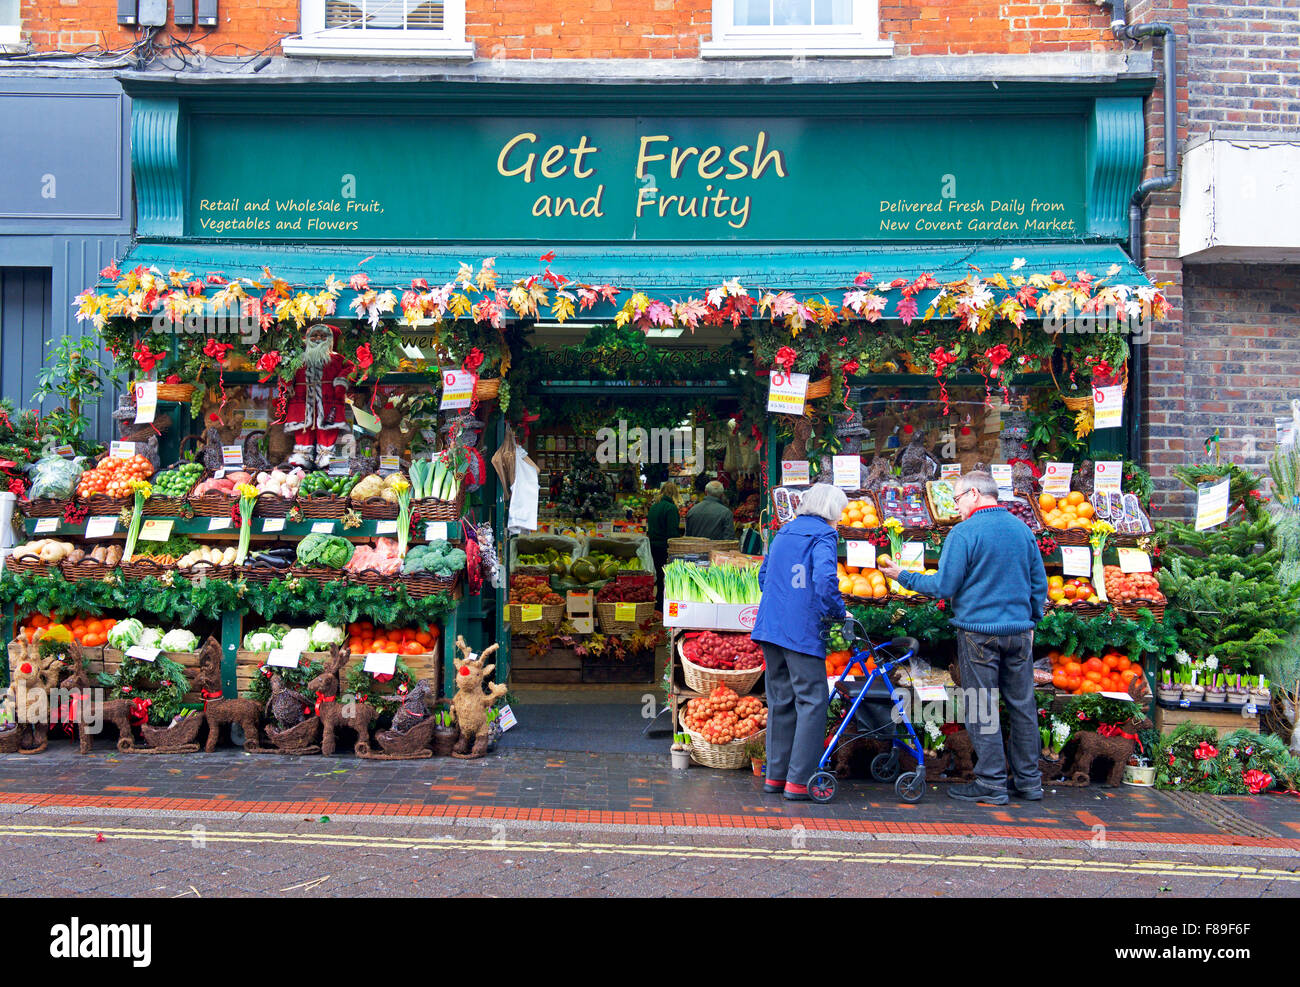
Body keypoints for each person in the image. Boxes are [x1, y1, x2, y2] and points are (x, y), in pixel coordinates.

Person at [878, 470, 1049, 805]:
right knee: (1023, 706)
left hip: (978, 634)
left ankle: (992, 784)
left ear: (973, 494)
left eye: (957, 499)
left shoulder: (964, 533)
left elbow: (944, 586)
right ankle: (1029, 782)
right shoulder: (1023, 530)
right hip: (1018, 633)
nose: (955, 506)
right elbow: (1038, 584)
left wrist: (903, 576)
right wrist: (1031, 622)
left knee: (982, 707)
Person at [751, 483, 848, 801]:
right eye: (841, 512)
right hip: (801, 630)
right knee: (812, 700)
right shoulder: (823, 534)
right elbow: (824, 579)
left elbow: (764, 576)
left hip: (770, 628)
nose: (841, 519)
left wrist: (784, 600)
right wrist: (836, 611)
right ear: (831, 511)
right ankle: (799, 782)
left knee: (780, 701)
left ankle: (776, 777)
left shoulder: (785, 531)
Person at [646, 481, 681, 607]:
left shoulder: (654, 507)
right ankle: (663, 605)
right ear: (674, 494)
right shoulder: (671, 508)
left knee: (659, 577)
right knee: (666, 578)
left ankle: (658, 604)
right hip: (664, 547)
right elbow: (672, 532)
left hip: (653, 546)